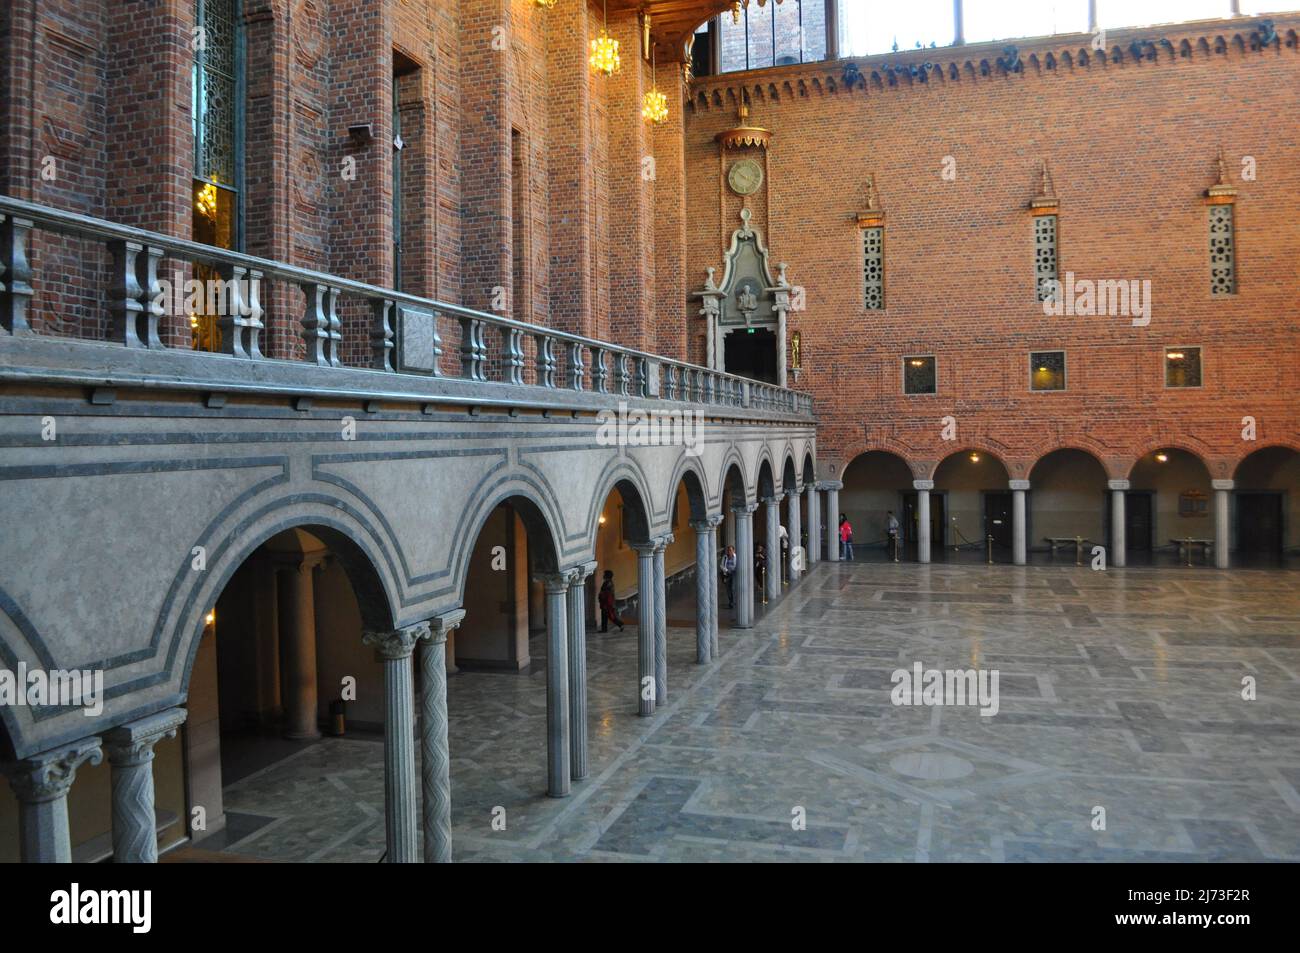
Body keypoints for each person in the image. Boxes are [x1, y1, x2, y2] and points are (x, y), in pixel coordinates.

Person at [720, 545, 738, 609]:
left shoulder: (736, 557)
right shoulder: (725, 557)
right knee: (728, 589)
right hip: (727, 574)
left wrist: (733, 570)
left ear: (733, 550)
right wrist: (726, 570)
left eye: (731, 550)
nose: (729, 551)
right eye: (728, 550)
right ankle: (731, 601)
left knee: (733, 588)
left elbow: (737, 565)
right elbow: (721, 566)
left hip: (734, 574)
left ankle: (733, 601)